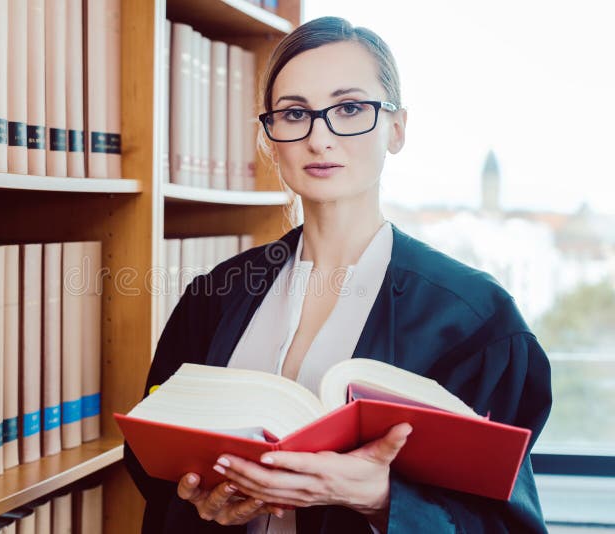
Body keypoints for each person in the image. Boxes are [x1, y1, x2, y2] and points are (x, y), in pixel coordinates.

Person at [125, 15, 552, 534]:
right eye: (294, 113)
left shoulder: (475, 319)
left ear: (397, 129)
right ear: (271, 136)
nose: (319, 137)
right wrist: (198, 496)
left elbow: (505, 523)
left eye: (350, 108)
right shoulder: (216, 295)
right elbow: (153, 454)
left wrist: (381, 500)